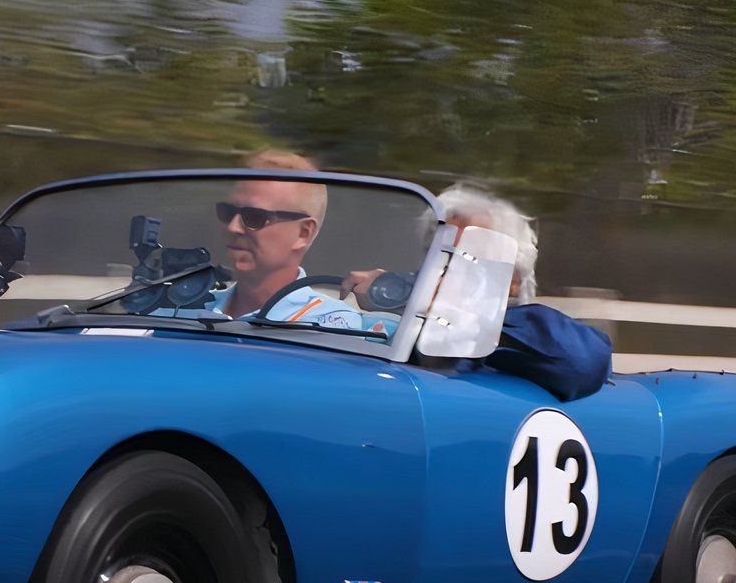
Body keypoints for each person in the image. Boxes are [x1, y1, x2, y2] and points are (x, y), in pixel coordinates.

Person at [346, 184, 612, 401]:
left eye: (470, 257)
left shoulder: (529, 338)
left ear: (512, 281)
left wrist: (424, 301)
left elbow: (586, 361)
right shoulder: (406, 323)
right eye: (439, 255)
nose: (446, 270)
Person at [202, 150, 362, 329]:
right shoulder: (187, 307)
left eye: (254, 216)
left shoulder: (329, 323)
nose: (232, 227)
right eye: (227, 211)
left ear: (303, 233)